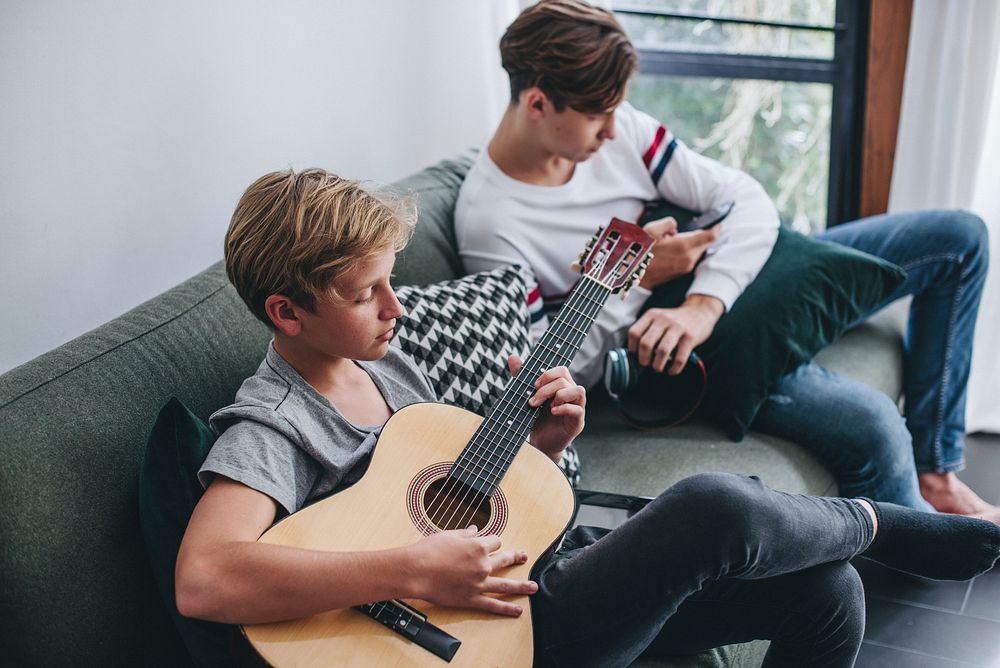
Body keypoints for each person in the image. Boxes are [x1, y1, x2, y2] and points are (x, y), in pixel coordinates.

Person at [175, 167, 1000, 667]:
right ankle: (884, 523)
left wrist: (539, 442)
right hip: (488, 638)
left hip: (539, 579)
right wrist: (407, 571)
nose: (398, 305)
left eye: (392, 280)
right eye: (368, 293)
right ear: (286, 312)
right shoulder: (271, 425)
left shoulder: (378, 359)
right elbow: (205, 579)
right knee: (712, 505)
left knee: (830, 592)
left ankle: (859, 539)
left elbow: (434, 491)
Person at [454, 0, 997, 523]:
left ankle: (937, 469)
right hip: (693, 356)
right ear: (538, 103)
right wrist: (636, 281)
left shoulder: (621, 132)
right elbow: (553, 377)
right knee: (874, 424)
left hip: (721, 292)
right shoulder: (492, 224)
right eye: (598, 116)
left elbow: (747, 200)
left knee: (959, 238)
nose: (614, 131)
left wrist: (703, 303)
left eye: (617, 110)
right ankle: (928, 542)